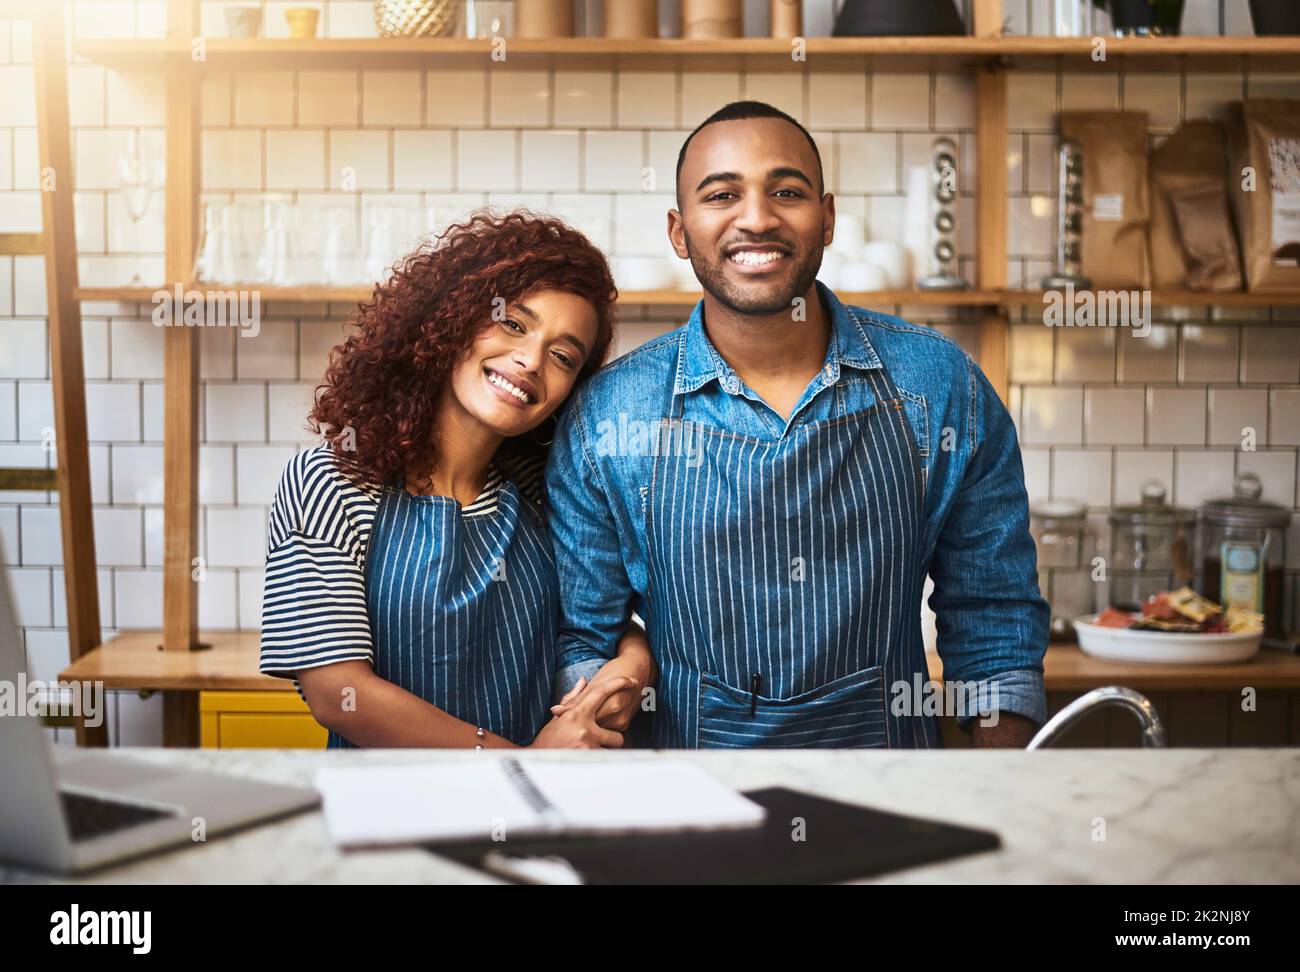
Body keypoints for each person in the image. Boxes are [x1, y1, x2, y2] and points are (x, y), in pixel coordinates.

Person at [547, 102, 1049, 748]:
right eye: (722, 195)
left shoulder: (941, 387)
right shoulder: (610, 416)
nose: (756, 218)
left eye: (786, 191)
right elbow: (585, 638)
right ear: (679, 233)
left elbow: (994, 620)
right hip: (693, 811)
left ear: (828, 218)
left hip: (894, 804)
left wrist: (996, 794)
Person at [258, 210, 656, 748]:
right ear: (451, 319)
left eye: (563, 356)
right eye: (514, 324)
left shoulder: (543, 493)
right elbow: (337, 691)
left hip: (532, 820)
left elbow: (593, 618)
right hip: (390, 819)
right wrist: (522, 765)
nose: (530, 360)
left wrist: (632, 664)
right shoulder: (332, 481)